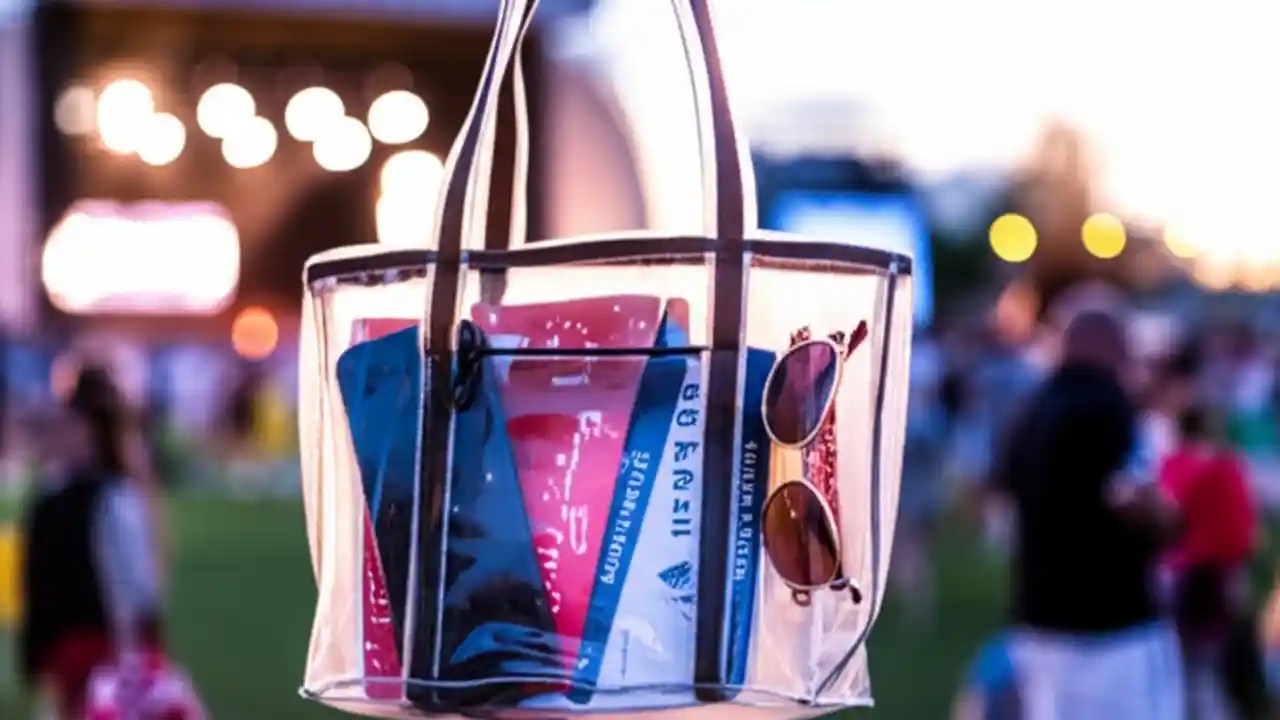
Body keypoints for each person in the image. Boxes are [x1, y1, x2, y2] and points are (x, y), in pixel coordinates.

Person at [996, 309, 1185, 720]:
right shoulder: (1109, 407)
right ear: (1111, 347)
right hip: (1112, 625)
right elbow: (1131, 498)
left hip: (1039, 619)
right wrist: (1171, 520)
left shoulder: (1029, 411)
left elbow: (1001, 490)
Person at [18, 365, 166, 717]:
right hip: (71, 645)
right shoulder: (66, 494)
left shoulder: (107, 498)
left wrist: (129, 649)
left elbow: (130, 584)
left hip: (101, 646)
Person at [1159, 405, 1263, 719]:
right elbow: (1247, 528)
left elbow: (1166, 520)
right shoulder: (1230, 467)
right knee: (1216, 666)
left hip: (1194, 578)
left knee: (1195, 671)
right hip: (1228, 576)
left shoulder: (1178, 467)